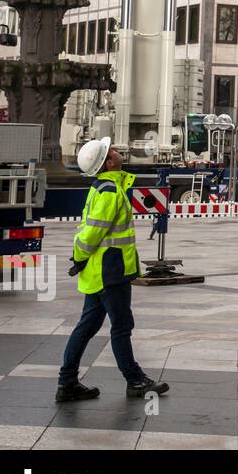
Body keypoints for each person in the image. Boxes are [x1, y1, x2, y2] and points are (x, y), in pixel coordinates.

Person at [56, 138, 170, 403]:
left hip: (101, 271)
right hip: (110, 270)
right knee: (121, 326)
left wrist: (81, 259)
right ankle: (135, 380)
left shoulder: (105, 188)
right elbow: (93, 233)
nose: (118, 151)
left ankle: (67, 383)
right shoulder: (109, 192)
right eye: (113, 151)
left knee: (87, 327)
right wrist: (79, 255)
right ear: (108, 162)